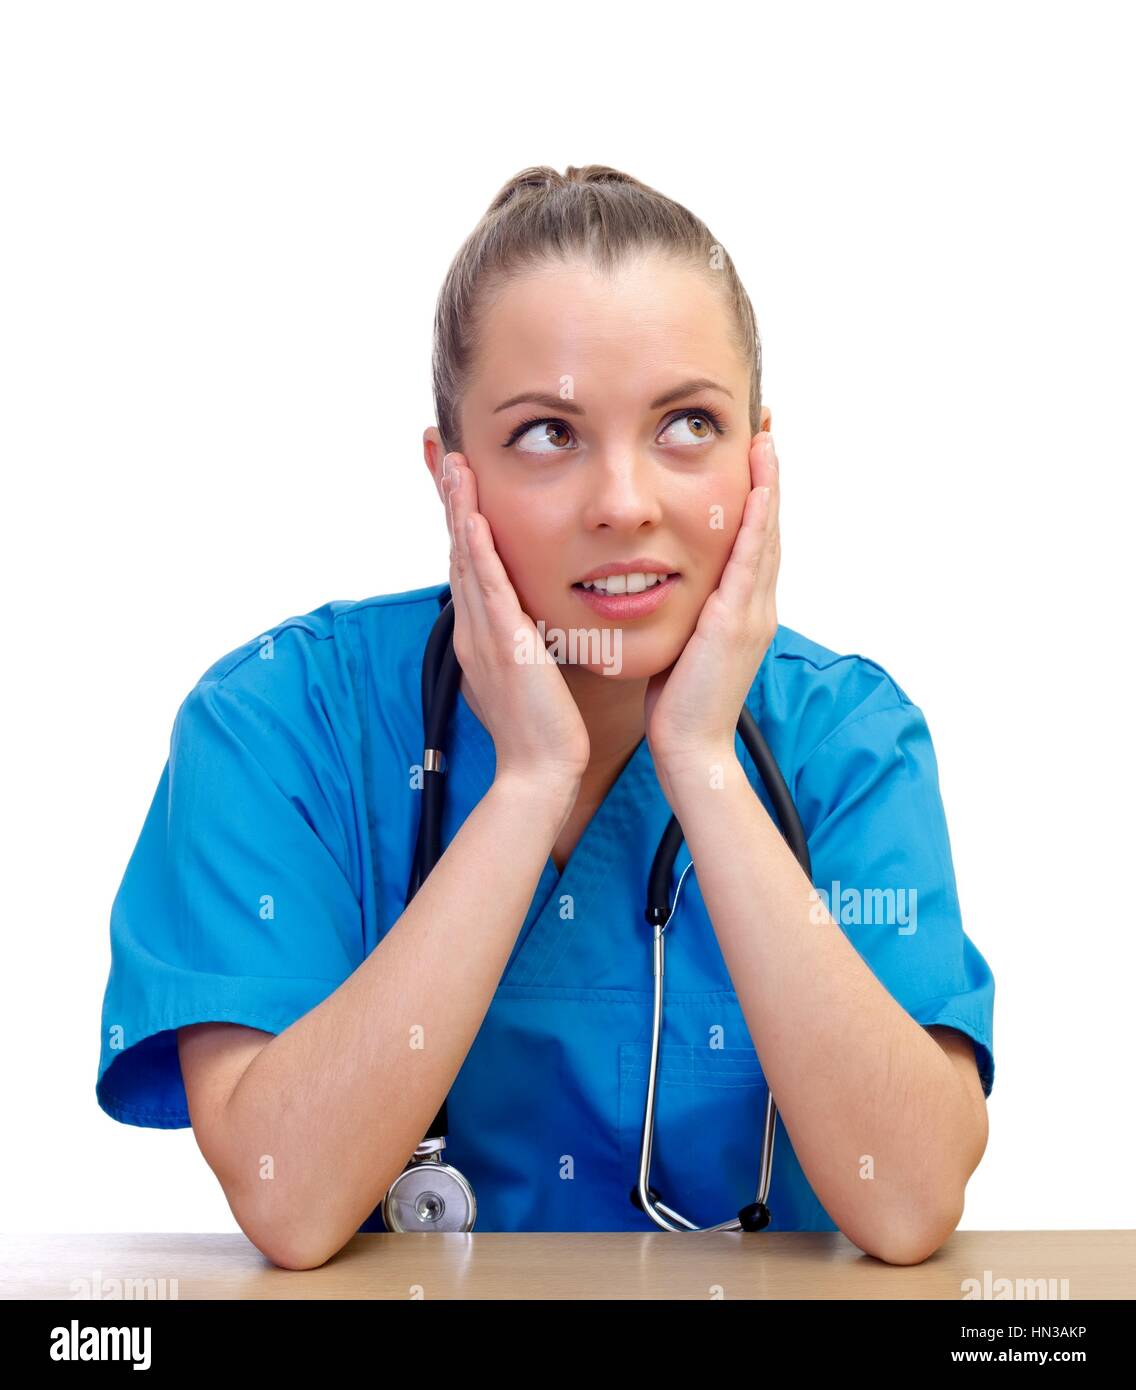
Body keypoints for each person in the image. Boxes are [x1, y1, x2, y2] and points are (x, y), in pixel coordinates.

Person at [96, 164, 994, 1271]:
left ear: (758, 461)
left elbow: (904, 1203)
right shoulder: (277, 723)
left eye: (686, 424)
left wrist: (703, 762)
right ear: (450, 473)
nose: (623, 499)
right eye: (545, 435)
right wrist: (527, 785)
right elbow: (291, 1199)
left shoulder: (845, 737)